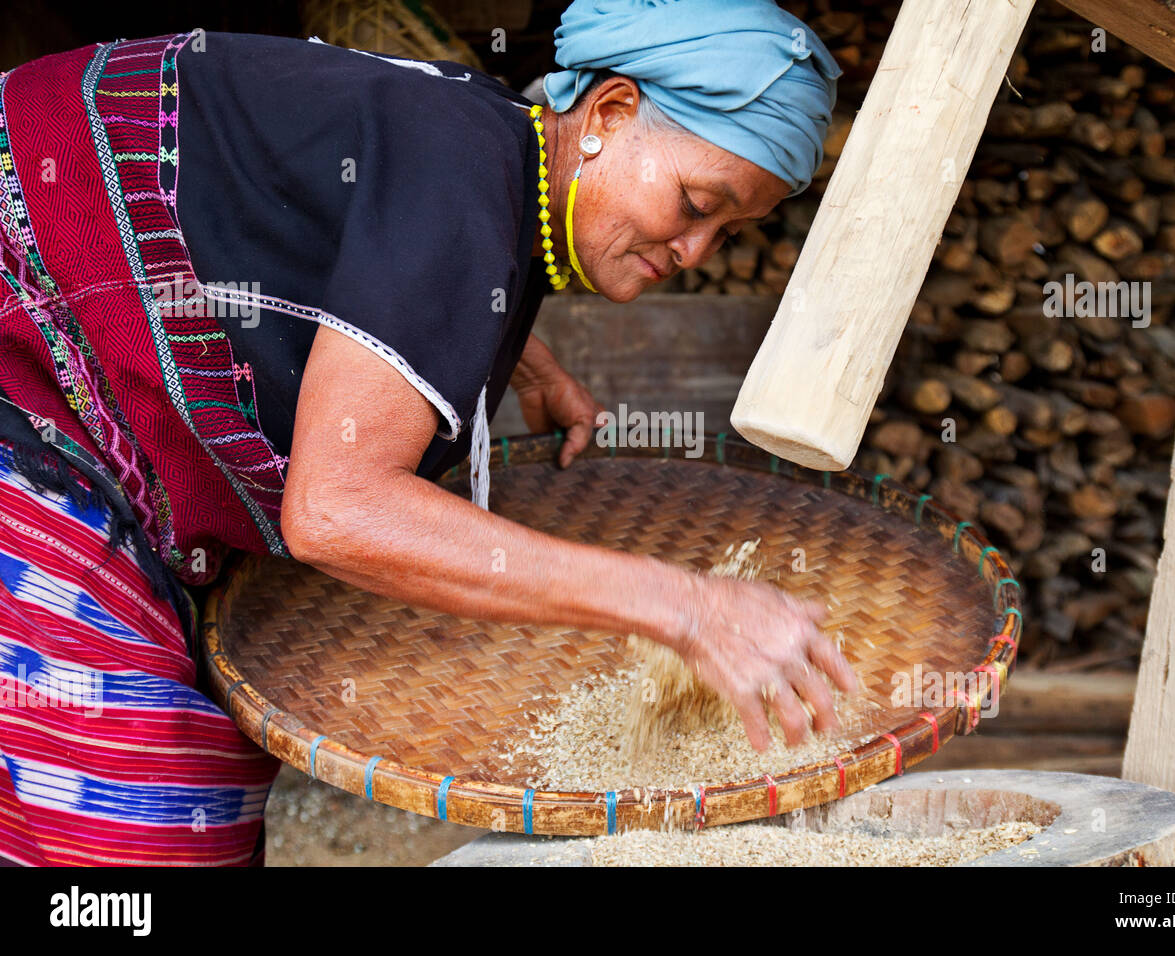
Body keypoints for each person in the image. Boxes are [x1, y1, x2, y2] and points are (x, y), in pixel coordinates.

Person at [0, 0, 852, 865]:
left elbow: (352, 252)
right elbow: (337, 511)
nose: (698, 249)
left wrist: (524, 361)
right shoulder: (465, 174)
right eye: (696, 201)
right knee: (135, 818)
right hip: (20, 386)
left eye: (729, 230)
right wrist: (691, 608)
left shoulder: (480, 138)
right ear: (610, 115)